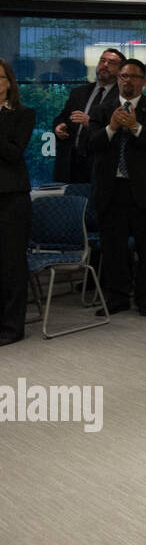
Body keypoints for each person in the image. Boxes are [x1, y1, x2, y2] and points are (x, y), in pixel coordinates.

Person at [86, 59, 146, 316]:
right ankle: (117, 298)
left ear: (144, 82)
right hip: (112, 190)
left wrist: (135, 127)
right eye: (123, 76)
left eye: (133, 76)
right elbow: (90, 145)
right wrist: (112, 128)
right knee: (114, 249)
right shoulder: (103, 110)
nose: (127, 81)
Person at [0, 59, 35, 346]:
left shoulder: (23, 114)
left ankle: (12, 327)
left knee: (11, 264)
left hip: (11, 197)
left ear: (9, 83)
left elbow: (13, 153)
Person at [52, 48, 123, 183]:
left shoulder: (122, 96)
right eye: (102, 61)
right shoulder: (79, 92)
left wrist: (90, 122)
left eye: (111, 63)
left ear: (120, 70)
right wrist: (59, 127)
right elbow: (62, 117)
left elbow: (121, 130)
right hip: (72, 163)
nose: (105, 65)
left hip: (101, 163)